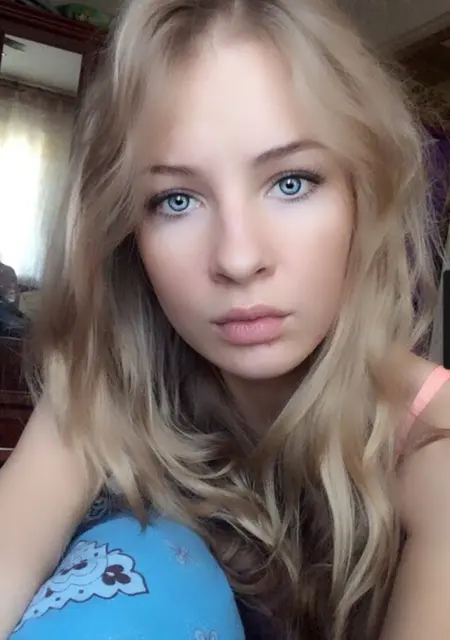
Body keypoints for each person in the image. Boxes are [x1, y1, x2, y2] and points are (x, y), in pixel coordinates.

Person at [1, 0, 450, 638]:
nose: (238, 259)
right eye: (176, 199)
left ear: (363, 193)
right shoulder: (106, 384)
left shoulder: (434, 441)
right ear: (127, 231)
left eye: (292, 182)